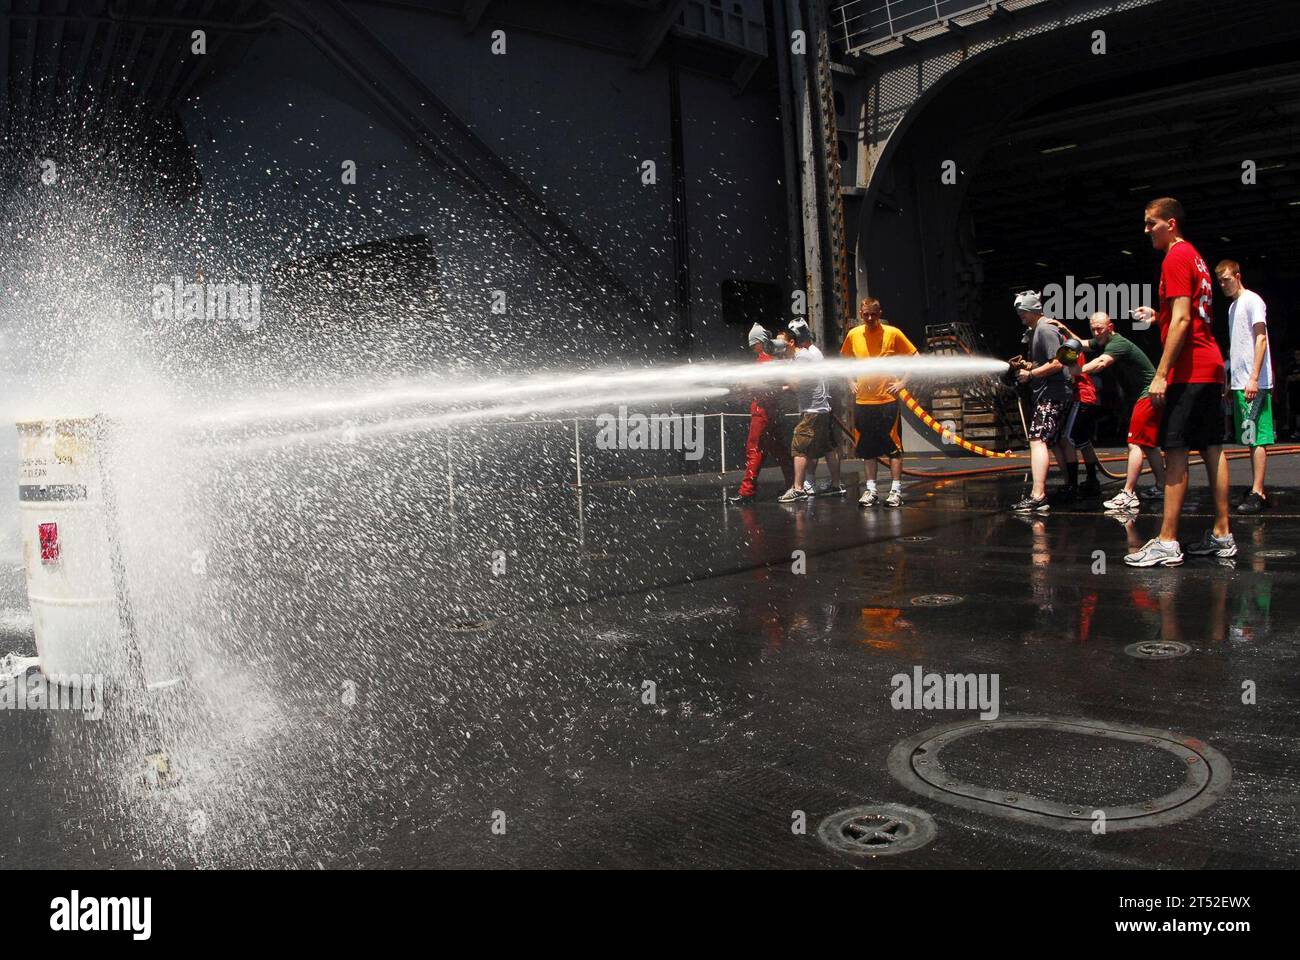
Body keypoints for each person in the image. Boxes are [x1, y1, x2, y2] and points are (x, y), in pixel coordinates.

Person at [1125, 197, 1234, 567]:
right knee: (1212, 447)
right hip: (1210, 364)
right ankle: (1223, 534)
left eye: (1150, 223)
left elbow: (1185, 321)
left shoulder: (1174, 257)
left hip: (1189, 370)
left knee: (1174, 450)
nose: (1146, 231)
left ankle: (1168, 541)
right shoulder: (1198, 258)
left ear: (1170, 224)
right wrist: (1159, 316)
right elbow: (1188, 316)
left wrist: (1160, 374)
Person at [1062, 312, 1167, 511]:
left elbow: (1101, 363)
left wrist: (1079, 369)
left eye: (1099, 329)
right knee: (1149, 444)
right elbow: (1082, 343)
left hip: (1149, 393)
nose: (1096, 333)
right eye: (1093, 329)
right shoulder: (1103, 339)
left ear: (1110, 327)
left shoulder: (1117, 344)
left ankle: (1128, 494)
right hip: (1143, 395)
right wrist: (1064, 330)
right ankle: (1162, 486)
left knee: (1134, 443)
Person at [839, 297, 916, 508]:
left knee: (893, 448)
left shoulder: (893, 333)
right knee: (867, 449)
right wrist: (850, 381)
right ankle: (871, 490)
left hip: (887, 400)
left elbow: (915, 357)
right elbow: (843, 360)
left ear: (880, 313)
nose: (870, 318)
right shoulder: (854, 334)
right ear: (861, 314)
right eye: (866, 314)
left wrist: (902, 383)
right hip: (863, 401)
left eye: (874, 314)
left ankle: (895, 491)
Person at [1010, 291, 1078, 513]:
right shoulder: (1037, 330)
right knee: (1057, 441)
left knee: (1038, 438)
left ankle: (1038, 496)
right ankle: (1071, 486)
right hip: (1054, 392)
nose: (1019, 315)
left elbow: (1059, 363)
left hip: (1053, 393)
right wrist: (1030, 366)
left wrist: (1031, 374)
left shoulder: (1045, 329)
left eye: (1022, 311)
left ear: (1031, 310)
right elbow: (1050, 361)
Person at [1216, 260, 1274, 514]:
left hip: (1255, 382)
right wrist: (1232, 383)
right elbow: (1236, 347)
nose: (1223, 284)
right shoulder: (1231, 308)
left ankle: (1258, 491)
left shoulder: (1253, 301)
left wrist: (1253, 378)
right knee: (1249, 438)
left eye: (1226, 279)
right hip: (1241, 382)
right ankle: (1255, 487)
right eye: (1219, 281)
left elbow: (1260, 339)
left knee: (1258, 437)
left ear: (1238, 276)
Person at [778, 319, 845, 502]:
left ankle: (798, 488)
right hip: (821, 408)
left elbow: (799, 384)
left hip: (812, 410)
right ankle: (836, 485)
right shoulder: (810, 354)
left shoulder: (803, 357)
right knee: (827, 447)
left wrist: (782, 377)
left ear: (793, 340)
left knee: (798, 446)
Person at [729, 323, 795, 503]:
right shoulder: (771, 359)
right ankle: (793, 484)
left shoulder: (764, 361)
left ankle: (747, 491)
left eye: (753, 344)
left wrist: (745, 387)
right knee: (778, 449)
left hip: (762, 411)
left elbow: (765, 389)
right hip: (771, 411)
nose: (752, 347)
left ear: (759, 342)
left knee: (754, 449)